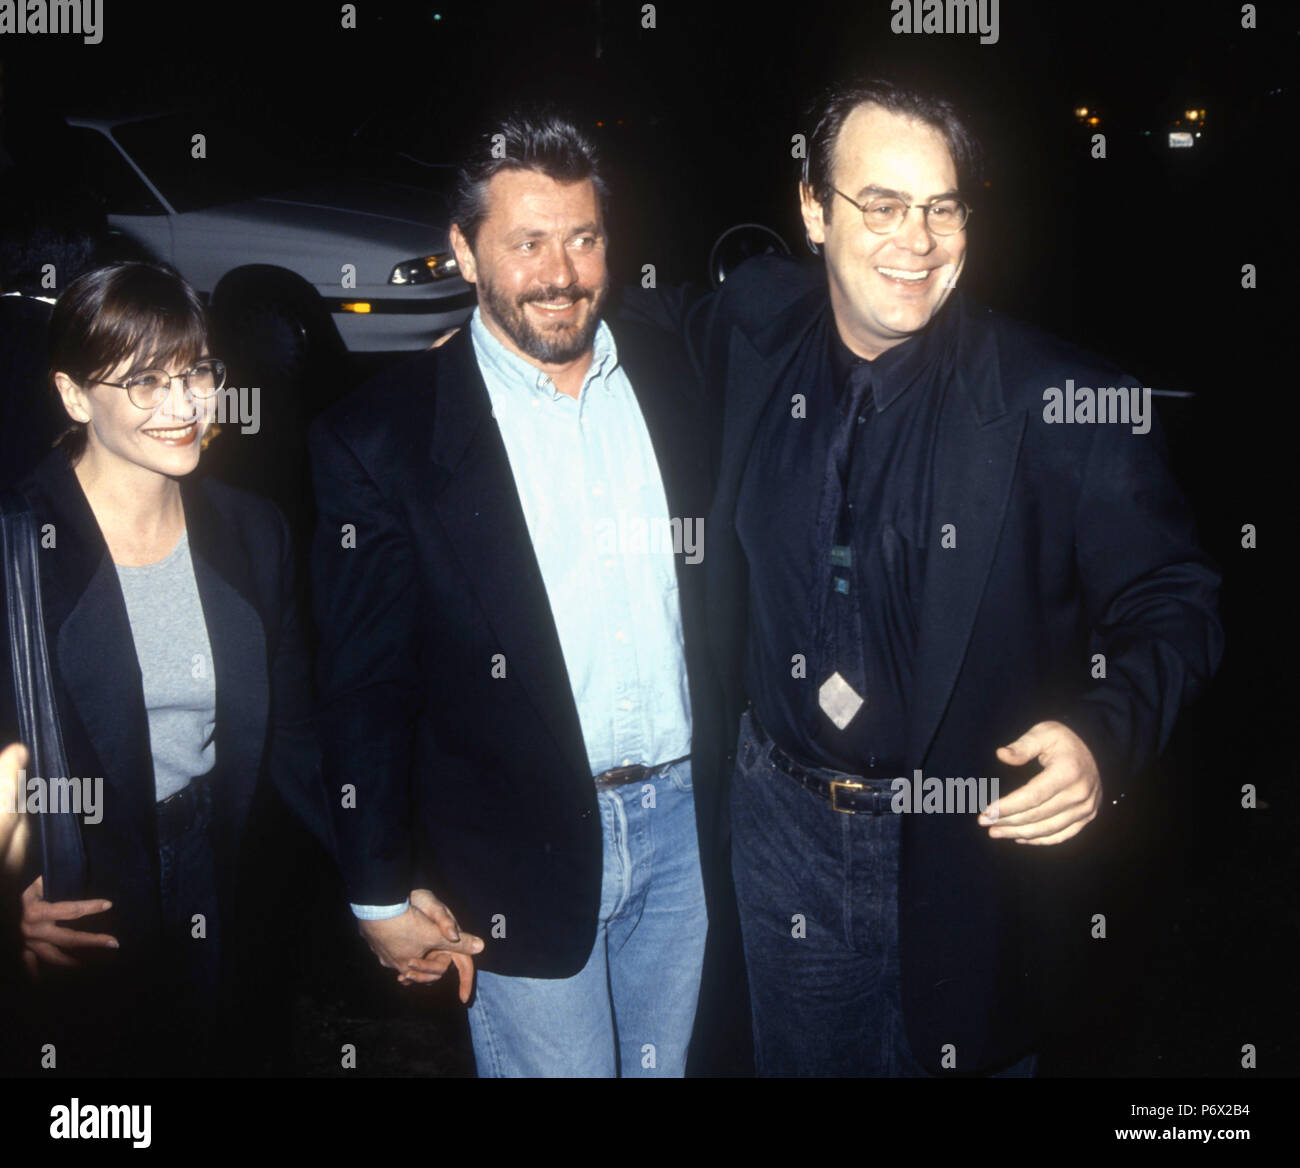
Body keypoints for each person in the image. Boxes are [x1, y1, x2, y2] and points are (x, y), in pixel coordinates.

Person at [632, 77, 1224, 1076]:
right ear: (813, 211)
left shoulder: (1066, 406)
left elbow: (1176, 598)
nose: (917, 239)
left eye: (941, 206)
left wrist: (1101, 735)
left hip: (963, 846)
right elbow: (639, 318)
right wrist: (491, 354)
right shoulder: (754, 320)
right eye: (881, 203)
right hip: (781, 827)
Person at [309, 109, 730, 1077]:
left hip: (685, 831)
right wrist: (376, 890)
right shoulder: (382, 438)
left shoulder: (676, 369)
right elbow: (365, 682)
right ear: (463, 249)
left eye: (582, 237)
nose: (561, 271)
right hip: (514, 846)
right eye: (527, 242)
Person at [0, 260, 332, 1075]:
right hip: (85, 893)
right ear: (75, 397)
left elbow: (296, 744)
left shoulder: (254, 531)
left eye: (196, 372)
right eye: (145, 382)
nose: (185, 406)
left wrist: (385, 888)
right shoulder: (16, 551)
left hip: (223, 865)